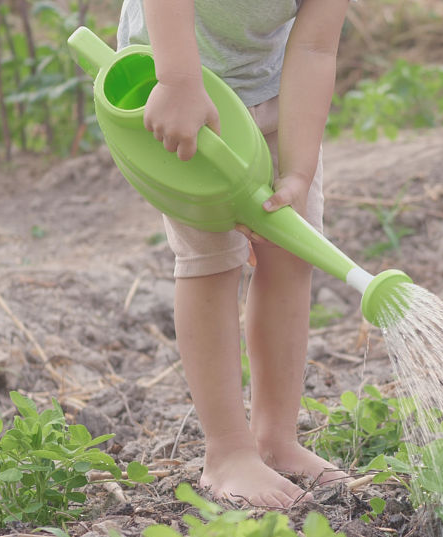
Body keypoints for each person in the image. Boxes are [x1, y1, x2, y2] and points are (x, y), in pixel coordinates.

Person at [117, 0, 350, 508]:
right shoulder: (173, 79)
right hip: (172, 82)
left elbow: (314, 46)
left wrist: (297, 172)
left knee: (291, 250)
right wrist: (177, 80)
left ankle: (277, 439)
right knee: (210, 259)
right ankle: (226, 451)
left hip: (270, 93)